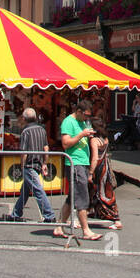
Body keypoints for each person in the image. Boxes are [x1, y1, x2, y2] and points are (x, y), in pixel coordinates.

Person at [2, 107, 57, 224]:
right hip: (38, 163)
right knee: (25, 191)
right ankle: (16, 214)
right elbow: (46, 148)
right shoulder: (42, 130)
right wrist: (45, 163)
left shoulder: (25, 132)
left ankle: (49, 215)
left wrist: (22, 165)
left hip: (29, 165)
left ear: (24, 118)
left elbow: (24, 152)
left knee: (37, 190)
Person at [55, 98, 100, 240]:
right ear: (79, 111)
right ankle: (86, 230)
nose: (87, 118)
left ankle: (58, 227)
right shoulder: (69, 122)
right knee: (82, 196)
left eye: (89, 116)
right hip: (74, 163)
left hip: (83, 162)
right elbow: (66, 143)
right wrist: (81, 134)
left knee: (72, 197)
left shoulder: (83, 122)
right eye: (86, 115)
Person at [88, 115, 122, 230]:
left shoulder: (94, 141)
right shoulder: (105, 139)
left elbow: (94, 158)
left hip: (98, 168)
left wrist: (90, 172)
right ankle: (95, 212)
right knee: (106, 191)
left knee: (100, 192)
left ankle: (115, 218)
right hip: (105, 167)